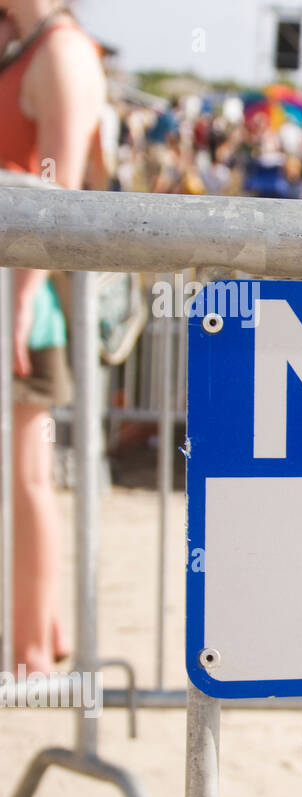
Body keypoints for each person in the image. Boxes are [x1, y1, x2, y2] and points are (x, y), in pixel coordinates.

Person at [0, 0, 106, 673]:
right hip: (20, 291)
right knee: (29, 473)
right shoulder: (34, 43)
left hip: (23, 296)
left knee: (31, 475)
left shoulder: (61, 51)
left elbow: (59, 194)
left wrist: (26, 297)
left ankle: (33, 648)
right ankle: (43, 632)